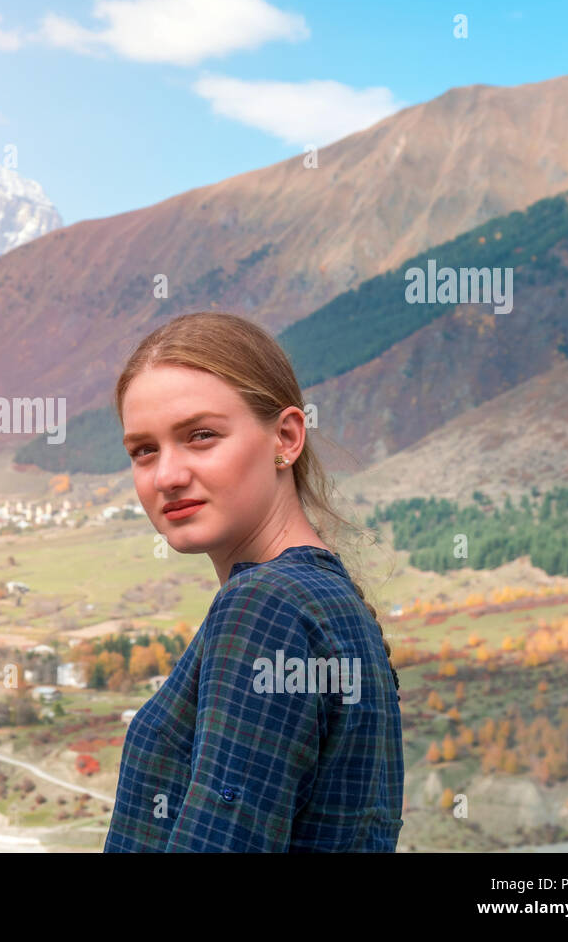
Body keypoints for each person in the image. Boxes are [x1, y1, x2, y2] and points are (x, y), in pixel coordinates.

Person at [102, 312, 404, 852]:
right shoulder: (326, 601)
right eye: (143, 450)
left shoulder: (267, 607)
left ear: (285, 437)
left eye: (201, 436)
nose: (167, 475)